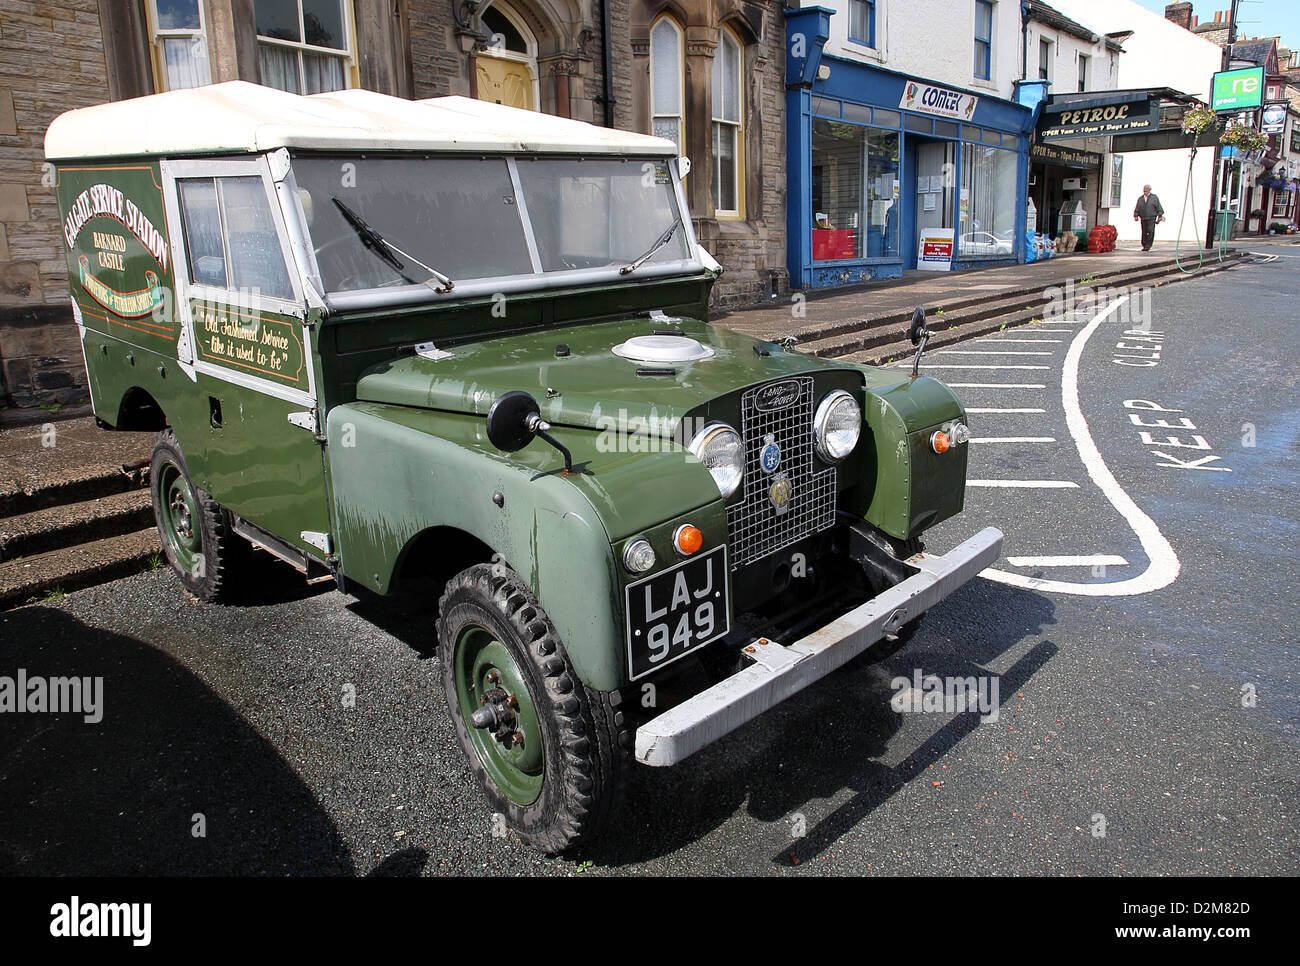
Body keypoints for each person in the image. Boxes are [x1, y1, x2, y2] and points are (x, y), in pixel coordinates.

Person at [1133, 185, 1165, 251]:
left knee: (1151, 231)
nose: (1145, 192)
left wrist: (1160, 215)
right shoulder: (1140, 199)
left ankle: (1148, 245)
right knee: (1144, 232)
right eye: (1144, 190)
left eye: (1146, 190)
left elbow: (1159, 207)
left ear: (1149, 190)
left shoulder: (1154, 198)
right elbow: (1137, 207)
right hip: (1143, 218)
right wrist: (1136, 215)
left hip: (1151, 217)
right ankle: (1144, 244)